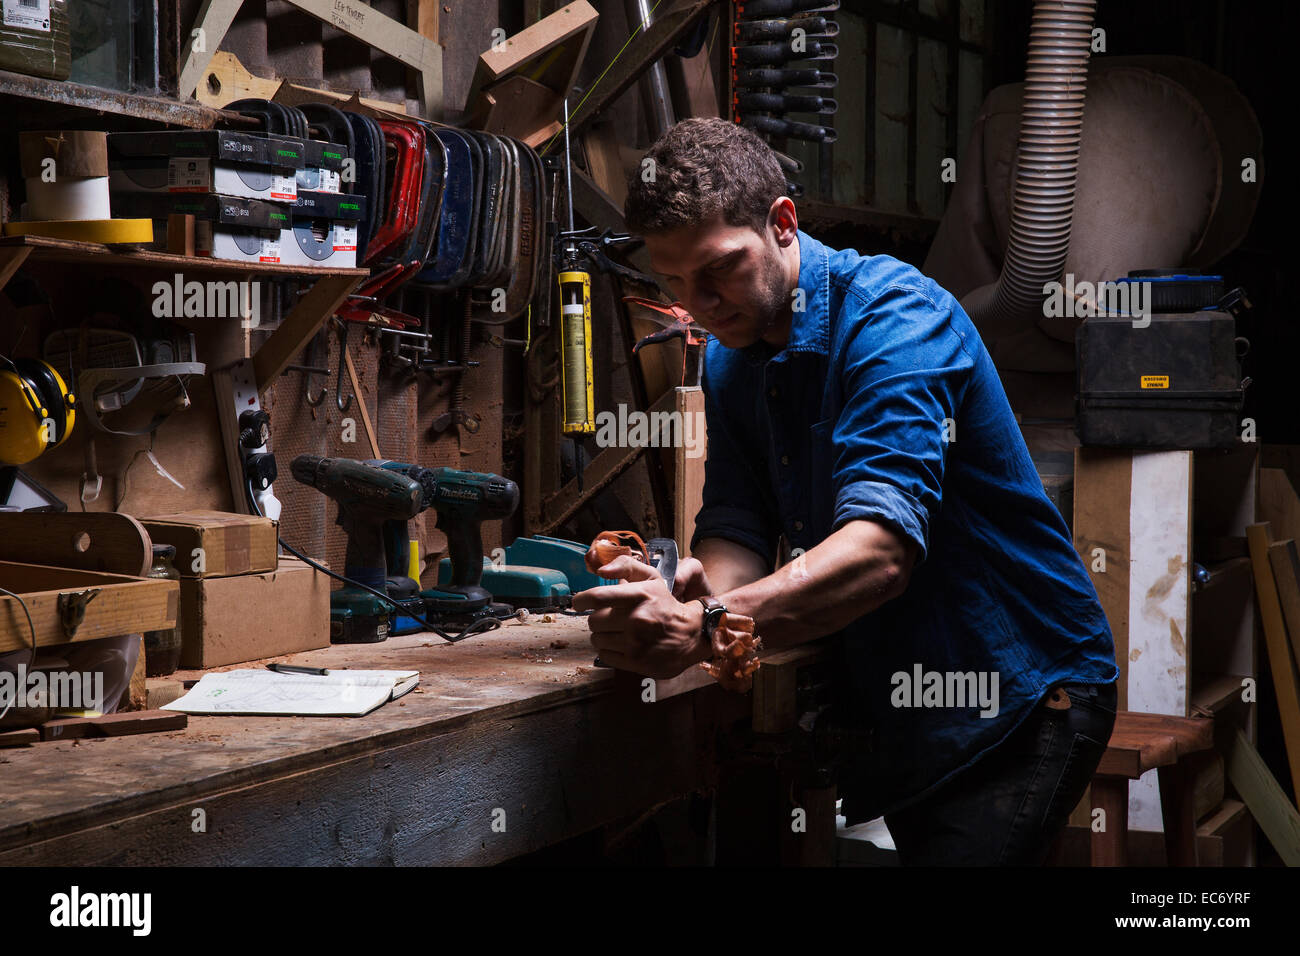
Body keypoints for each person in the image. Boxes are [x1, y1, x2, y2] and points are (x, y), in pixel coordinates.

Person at [573, 117, 1118, 865]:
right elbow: (735, 522)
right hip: (907, 697)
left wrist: (708, 629)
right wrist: (700, 595)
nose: (700, 303)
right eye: (673, 283)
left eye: (718, 270)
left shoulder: (898, 321)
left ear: (783, 223)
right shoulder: (735, 358)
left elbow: (880, 554)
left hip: (1019, 693)